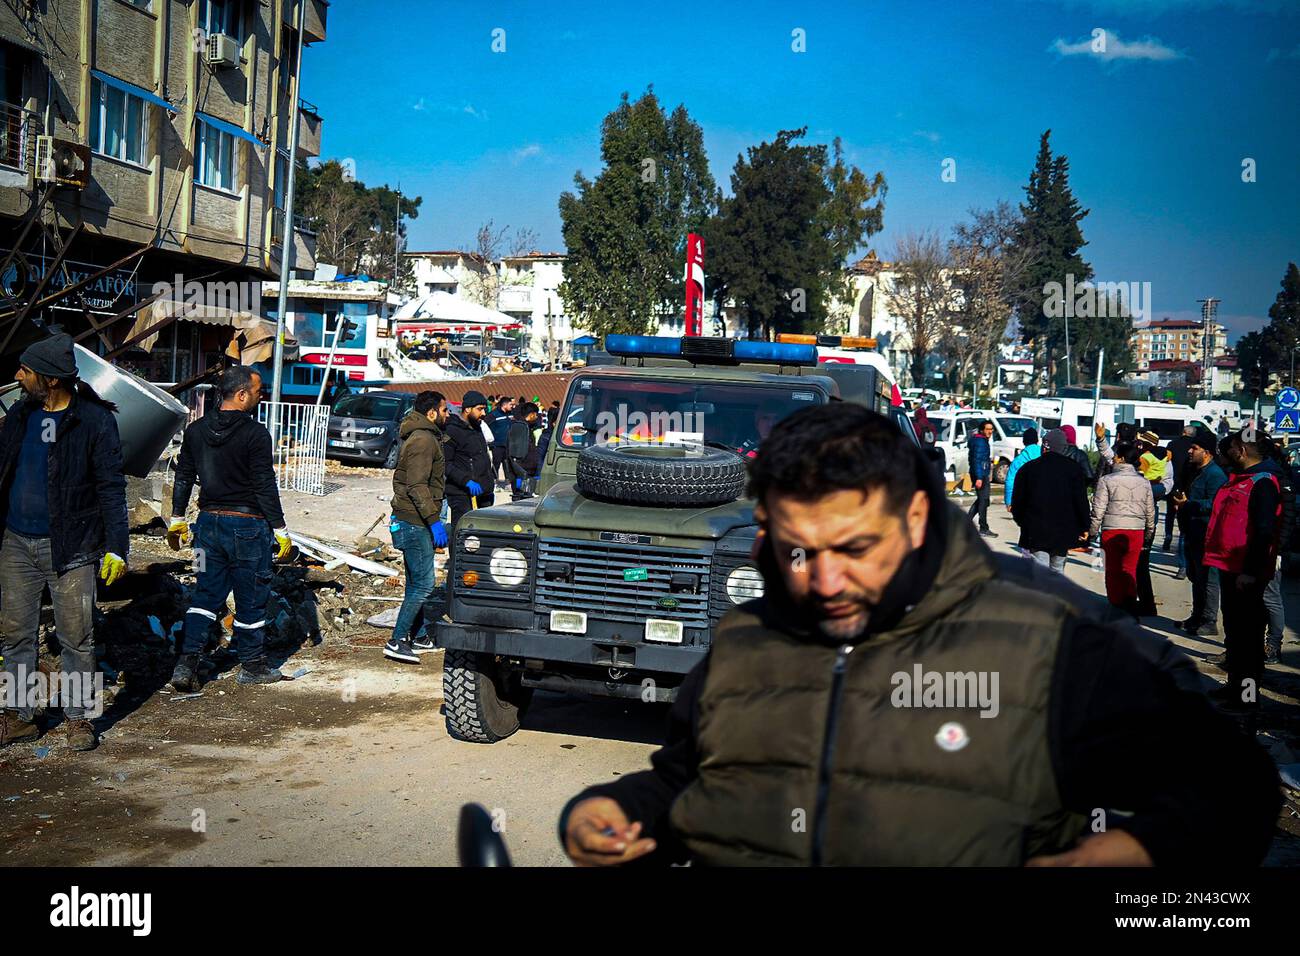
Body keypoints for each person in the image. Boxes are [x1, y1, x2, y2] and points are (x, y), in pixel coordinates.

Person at [558, 404, 1279, 866]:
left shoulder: (1051, 634)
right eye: (797, 550)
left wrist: (1128, 850)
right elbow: (686, 777)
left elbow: (1236, 786)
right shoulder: (748, 633)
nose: (825, 582)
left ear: (913, 521)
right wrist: (612, 810)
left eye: (855, 549)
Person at [0, 333, 129, 752]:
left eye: (26, 370)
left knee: (77, 637)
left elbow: (111, 486)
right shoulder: (21, 414)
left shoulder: (93, 421)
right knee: (16, 635)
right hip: (15, 543)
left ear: (51, 380)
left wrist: (116, 546)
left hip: (72, 548)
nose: (18, 376)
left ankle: (79, 719)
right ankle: (19, 717)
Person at [167, 366, 291, 690]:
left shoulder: (195, 431)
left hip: (206, 527)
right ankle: (252, 665)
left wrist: (177, 517)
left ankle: (186, 664)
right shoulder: (255, 434)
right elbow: (264, 484)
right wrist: (280, 529)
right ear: (241, 394)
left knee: (204, 594)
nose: (260, 395)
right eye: (258, 390)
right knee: (252, 597)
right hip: (247, 529)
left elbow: (182, 476)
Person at [1204, 429, 1283, 711]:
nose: (1230, 451)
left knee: (1248, 640)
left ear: (1244, 450)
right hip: (1229, 567)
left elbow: (1263, 530)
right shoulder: (1241, 480)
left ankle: (1247, 697)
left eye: (1234, 446)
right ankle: (1235, 689)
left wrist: (1249, 571)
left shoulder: (1262, 483)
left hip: (1245, 573)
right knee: (1236, 635)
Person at [384, 391, 449, 664]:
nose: (448, 415)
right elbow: (417, 485)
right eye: (445, 410)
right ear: (432, 412)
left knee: (415, 582)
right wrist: (435, 521)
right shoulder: (423, 440)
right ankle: (397, 640)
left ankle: (419, 635)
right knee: (424, 584)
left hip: (414, 520)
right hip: (414, 522)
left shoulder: (425, 436)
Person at [1089, 442, 1156, 616]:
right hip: (1136, 531)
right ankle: (1130, 604)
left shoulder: (1106, 481)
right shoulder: (1144, 483)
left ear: (1122, 459)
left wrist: (1092, 532)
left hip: (1112, 529)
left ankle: (1116, 605)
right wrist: (1148, 533)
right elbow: (1150, 511)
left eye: (1117, 456)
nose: (1114, 458)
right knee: (1130, 570)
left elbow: (1098, 510)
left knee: (1112, 571)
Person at [1172, 433, 1226, 638]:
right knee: (1196, 577)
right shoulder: (1196, 471)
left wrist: (1189, 504)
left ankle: (1209, 620)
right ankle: (1197, 615)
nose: (1189, 451)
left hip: (1206, 534)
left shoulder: (1215, 475)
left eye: (1194, 448)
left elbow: (1216, 505)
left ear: (1207, 452)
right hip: (1192, 532)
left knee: (1208, 579)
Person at [1011, 429, 1089, 572]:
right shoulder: (1074, 469)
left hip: (1036, 530)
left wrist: (1022, 522)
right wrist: (1084, 526)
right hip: (1063, 530)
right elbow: (1081, 501)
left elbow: (1017, 502)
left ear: (1046, 446)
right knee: (1058, 570)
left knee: (1039, 572)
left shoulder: (1028, 468)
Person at [444, 390, 495, 537]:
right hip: (461, 493)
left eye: (484, 409)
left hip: (483, 492)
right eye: (480, 409)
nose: (483, 413)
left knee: (482, 534)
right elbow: (446, 464)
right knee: (462, 534)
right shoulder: (452, 431)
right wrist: (466, 481)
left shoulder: (477, 428)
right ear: (467, 409)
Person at [1164, 425, 1198, 554]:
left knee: (1170, 512)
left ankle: (1168, 535)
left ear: (1183, 432)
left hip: (1173, 481)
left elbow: (1167, 459)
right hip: (1187, 482)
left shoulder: (1173, 444)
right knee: (1184, 513)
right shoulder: (1194, 447)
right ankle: (1183, 539)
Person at [966, 420, 996, 538]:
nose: (990, 431)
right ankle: (983, 528)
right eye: (988, 429)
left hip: (982, 474)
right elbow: (976, 460)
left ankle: (966, 523)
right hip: (980, 475)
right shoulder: (980, 442)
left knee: (982, 500)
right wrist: (979, 477)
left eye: (991, 429)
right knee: (983, 501)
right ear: (982, 430)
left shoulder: (981, 440)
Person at [505, 402, 540, 500]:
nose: (537, 417)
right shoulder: (520, 428)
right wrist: (520, 475)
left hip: (528, 473)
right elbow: (515, 454)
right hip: (522, 473)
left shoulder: (527, 427)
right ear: (531, 414)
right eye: (536, 414)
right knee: (521, 501)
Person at [1003, 427, 1041, 509]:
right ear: (1037, 440)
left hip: (1025, 498)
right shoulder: (1045, 456)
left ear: (1024, 441)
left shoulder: (1019, 460)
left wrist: (1009, 501)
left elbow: (1010, 480)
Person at [486, 396, 516, 483]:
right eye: (510, 404)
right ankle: (493, 480)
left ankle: (508, 480)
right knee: (496, 462)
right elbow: (485, 426)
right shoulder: (494, 414)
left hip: (508, 443)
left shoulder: (511, 414)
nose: (512, 406)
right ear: (504, 405)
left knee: (507, 463)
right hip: (497, 444)